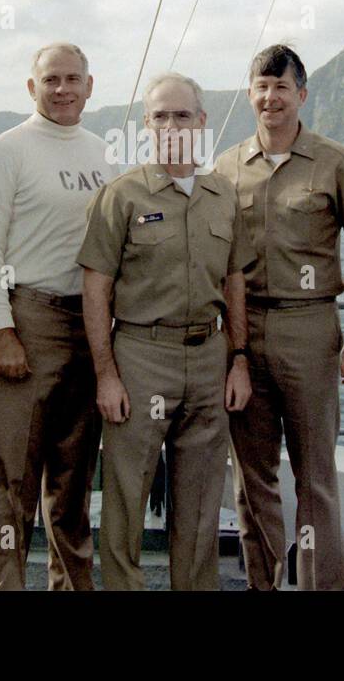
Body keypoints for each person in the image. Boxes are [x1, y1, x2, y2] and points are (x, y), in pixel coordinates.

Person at [213, 44, 344, 591]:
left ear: (301, 95)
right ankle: (263, 584)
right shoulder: (226, 167)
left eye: (282, 88)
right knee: (251, 478)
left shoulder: (335, 162)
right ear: (250, 95)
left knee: (315, 478)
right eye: (261, 88)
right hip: (241, 332)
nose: (271, 98)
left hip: (310, 329)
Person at [78, 72, 253, 590]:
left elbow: (235, 280)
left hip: (207, 357)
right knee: (126, 498)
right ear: (146, 124)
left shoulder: (223, 196)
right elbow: (95, 292)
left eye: (182, 114)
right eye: (160, 115)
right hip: (139, 356)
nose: (172, 124)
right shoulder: (121, 197)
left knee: (200, 504)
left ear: (201, 121)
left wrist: (239, 357)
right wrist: (106, 376)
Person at [0, 42, 116, 590]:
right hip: (28, 319)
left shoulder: (103, 154)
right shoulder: (9, 150)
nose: (63, 89)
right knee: (12, 483)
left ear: (89, 85)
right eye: (51, 79)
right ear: (32, 87)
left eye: (73, 78)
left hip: (91, 328)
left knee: (73, 485)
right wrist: (2, 330)